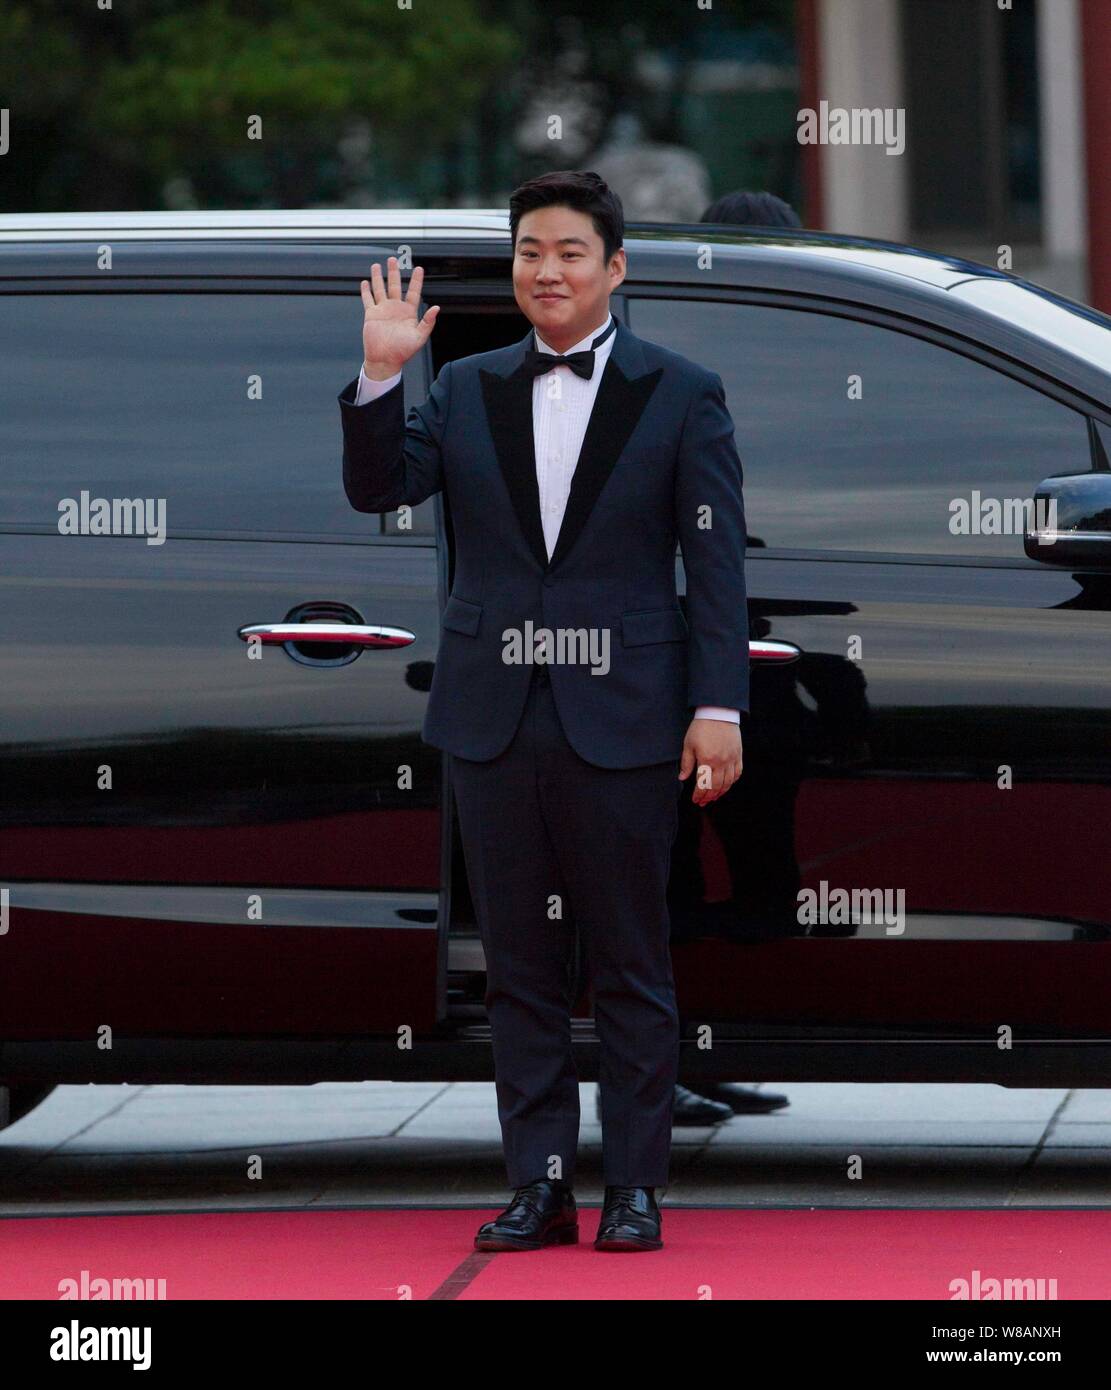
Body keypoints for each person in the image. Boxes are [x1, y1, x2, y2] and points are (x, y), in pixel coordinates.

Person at [338, 171, 748, 1252]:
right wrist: (380, 376)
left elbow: (713, 568)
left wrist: (718, 703)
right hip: (493, 715)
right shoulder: (464, 387)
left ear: (614, 268)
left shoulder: (682, 391)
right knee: (517, 965)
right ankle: (541, 1184)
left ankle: (636, 1187)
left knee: (628, 959)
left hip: (626, 713)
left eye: (569, 251)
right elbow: (380, 490)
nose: (546, 270)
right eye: (529, 252)